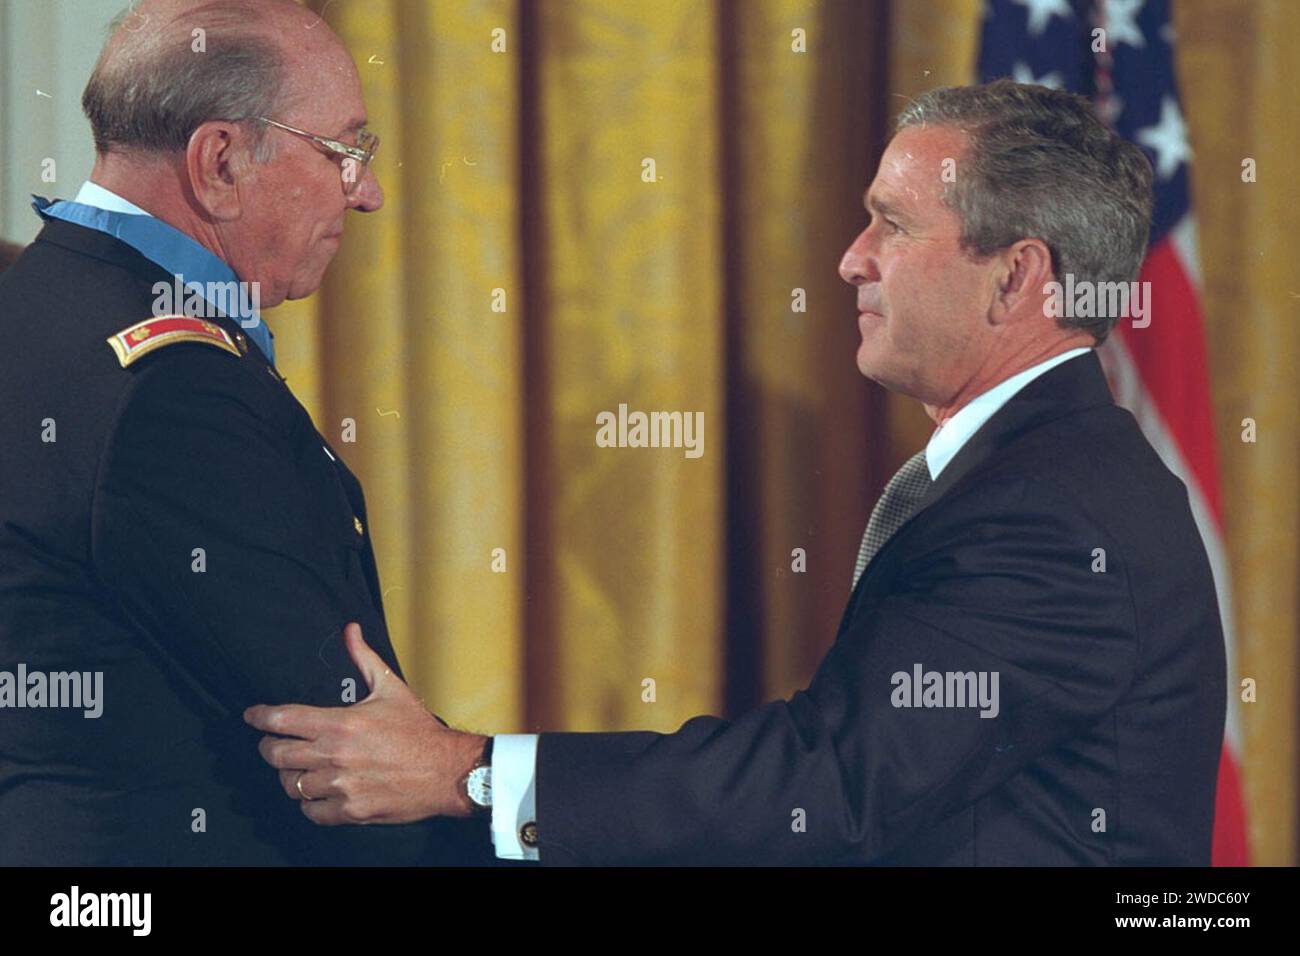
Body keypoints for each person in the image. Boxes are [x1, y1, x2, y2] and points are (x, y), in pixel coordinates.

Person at [248, 79, 1228, 866]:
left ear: (1014, 276)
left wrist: (464, 773)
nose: (851, 260)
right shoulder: (1038, 473)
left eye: (891, 224)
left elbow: (829, 786)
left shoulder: (1049, 514)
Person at [0, 0, 486, 865]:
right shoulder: (173, 391)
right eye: (345, 151)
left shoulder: (39, 301)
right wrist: (531, 806)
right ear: (219, 161)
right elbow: (351, 763)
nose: (366, 193)